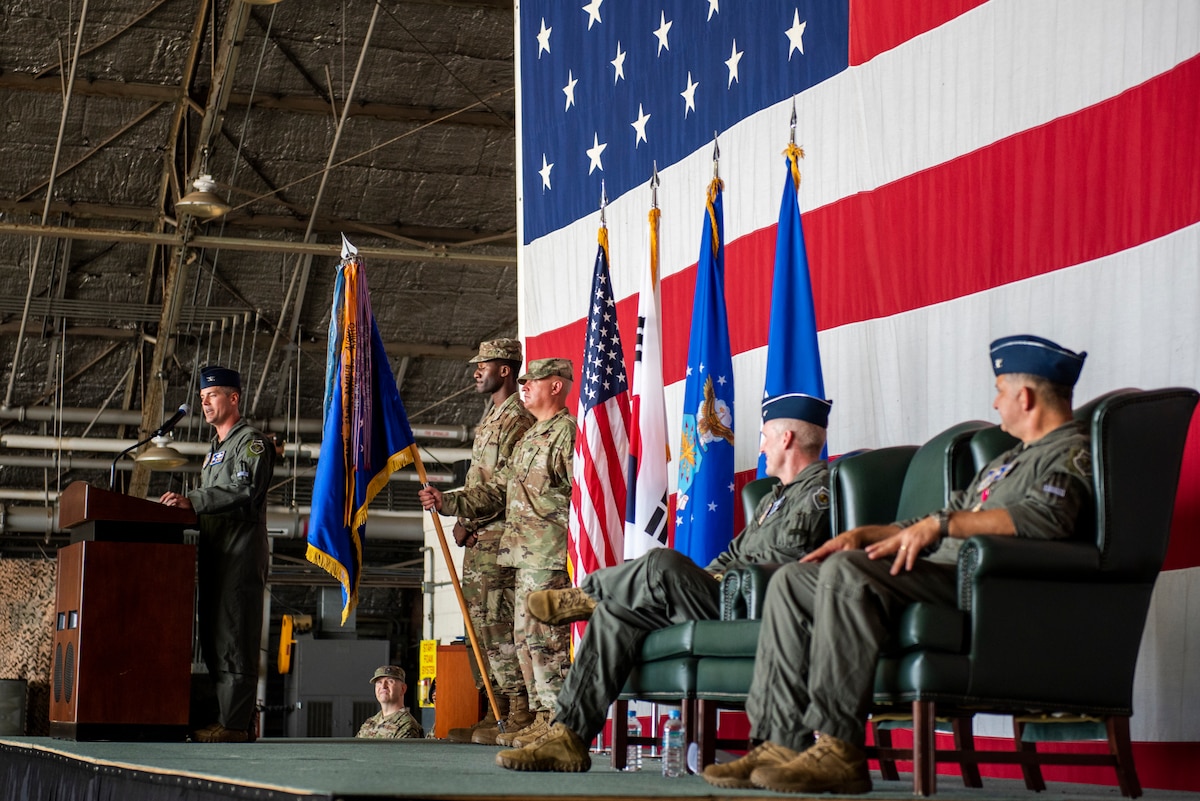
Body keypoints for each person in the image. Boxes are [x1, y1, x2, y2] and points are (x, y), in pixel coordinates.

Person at [701, 334, 1092, 794]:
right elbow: (942, 515)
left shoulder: (1069, 452)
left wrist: (942, 526)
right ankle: (780, 741)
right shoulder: (1007, 462)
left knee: (846, 573)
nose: (995, 402)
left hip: (981, 583)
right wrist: (869, 534)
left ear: (1024, 397)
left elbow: (1046, 519)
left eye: (1000, 391)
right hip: (941, 571)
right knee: (792, 580)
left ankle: (839, 749)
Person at [492, 392, 836, 772]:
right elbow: (731, 556)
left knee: (661, 562)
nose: (762, 447)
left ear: (787, 439)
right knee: (614, 614)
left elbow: (786, 559)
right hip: (726, 597)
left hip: (754, 608)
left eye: (766, 437)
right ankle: (569, 736)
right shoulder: (772, 500)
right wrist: (707, 577)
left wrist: (713, 578)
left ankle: (587, 594)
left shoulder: (820, 492)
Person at [419, 358, 576, 750]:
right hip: (521, 556)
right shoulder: (530, 438)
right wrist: (447, 501)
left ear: (556, 386)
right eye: (523, 381)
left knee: (547, 640)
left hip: (549, 553)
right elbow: (496, 490)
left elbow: (584, 498)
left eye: (533, 381)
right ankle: (541, 718)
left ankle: (560, 723)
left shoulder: (567, 434)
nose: (525, 387)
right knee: (525, 638)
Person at [161, 365, 275, 743]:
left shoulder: (251, 442)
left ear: (233, 398)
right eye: (202, 397)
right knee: (214, 637)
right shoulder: (217, 449)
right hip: (216, 553)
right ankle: (226, 717)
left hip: (239, 555)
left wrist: (191, 501)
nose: (205, 403)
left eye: (212, 395)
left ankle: (235, 724)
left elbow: (244, 490)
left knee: (234, 637)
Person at [447, 339, 536, 744]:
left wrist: (460, 512)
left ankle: (518, 711)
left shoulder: (518, 419)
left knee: (499, 624)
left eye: (482, 366)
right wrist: (466, 522)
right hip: (478, 539)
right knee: (478, 627)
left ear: (505, 370)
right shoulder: (491, 418)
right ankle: (494, 710)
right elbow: (479, 479)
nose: (475, 372)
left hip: (500, 539)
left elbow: (505, 488)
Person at [356, 665, 425, 739]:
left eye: (390, 681)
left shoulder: (407, 725)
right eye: (379, 682)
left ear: (403, 689)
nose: (383, 686)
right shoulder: (369, 723)